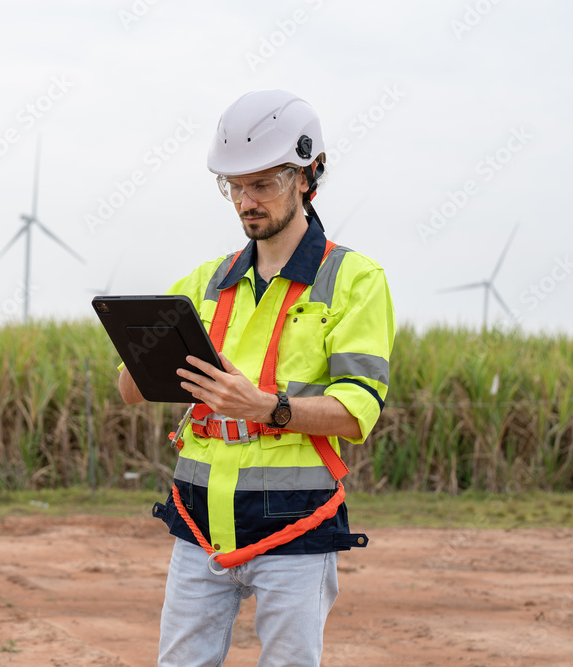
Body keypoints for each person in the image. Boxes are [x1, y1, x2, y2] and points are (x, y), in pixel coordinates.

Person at [117, 89, 396, 666]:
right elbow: (129, 388)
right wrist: (142, 359)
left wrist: (267, 407)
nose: (246, 200)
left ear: (307, 175)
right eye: (234, 186)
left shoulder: (355, 280)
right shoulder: (207, 280)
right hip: (198, 528)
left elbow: (357, 410)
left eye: (262, 183)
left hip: (294, 530)